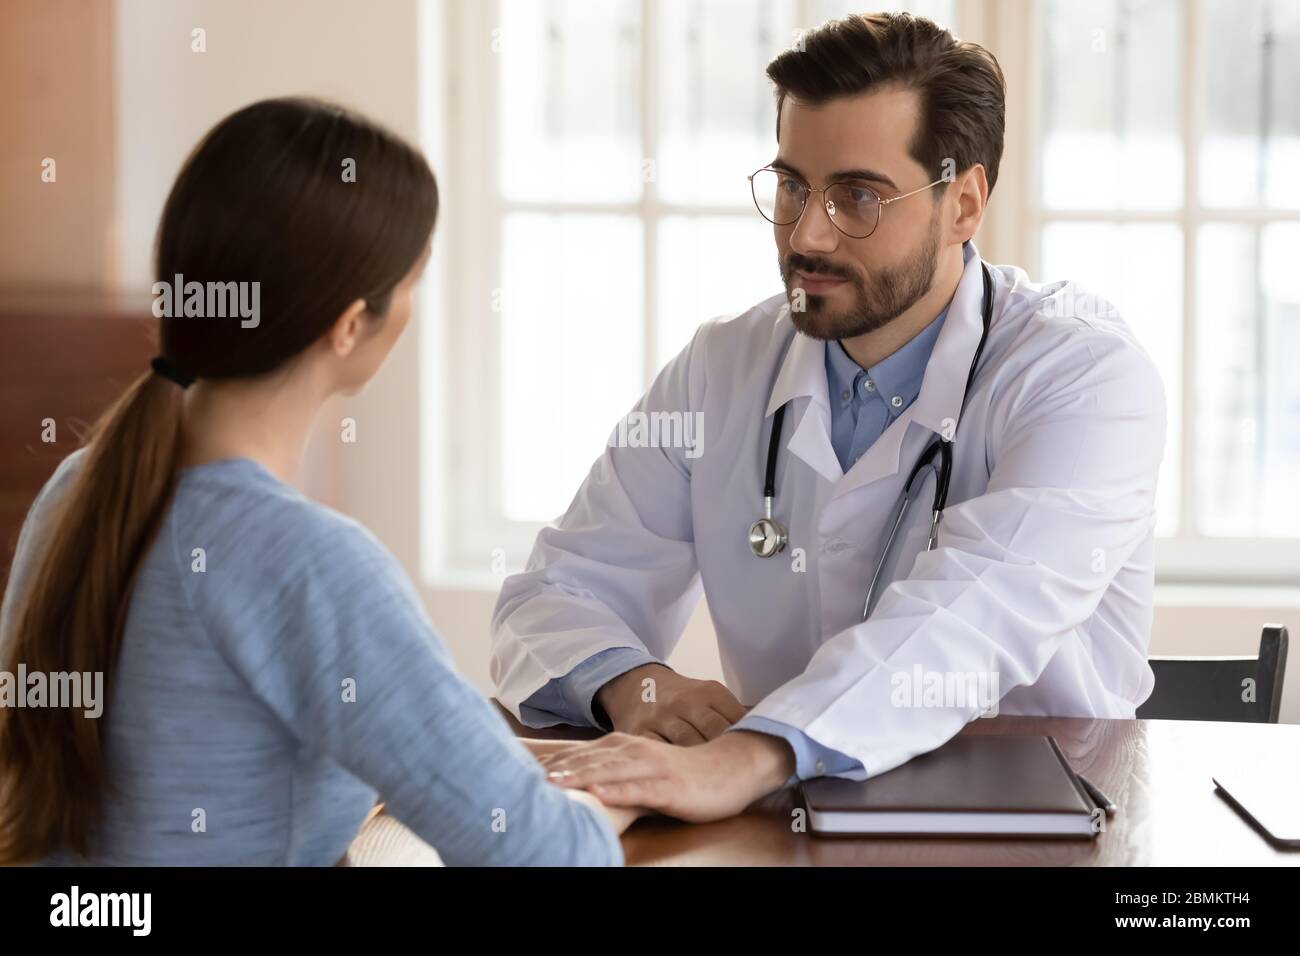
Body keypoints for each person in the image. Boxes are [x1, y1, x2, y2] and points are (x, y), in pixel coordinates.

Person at [491, 13, 1167, 822]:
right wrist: (635, 686)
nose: (806, 234)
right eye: (791, 185)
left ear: (964, 204)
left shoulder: (1083, 377)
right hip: (784, 831)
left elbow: (975, 614)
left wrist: (753, 753)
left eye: (858, 196)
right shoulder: (721, 369)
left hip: (1038, 829)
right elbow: (555, 591)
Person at [0, 97, 632, 866]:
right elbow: (549, 855)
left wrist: (479, 761)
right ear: (348, 325)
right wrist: (612, 796)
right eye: (413, 282)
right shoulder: (309, 562)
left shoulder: (75, 490)